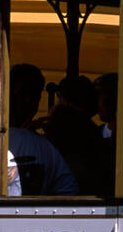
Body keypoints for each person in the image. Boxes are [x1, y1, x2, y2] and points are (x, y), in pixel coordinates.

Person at [8, 64, 79, 195]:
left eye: (35, 95)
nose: (28, 100)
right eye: (23, 93)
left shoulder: (46, 146)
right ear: (8, 93)